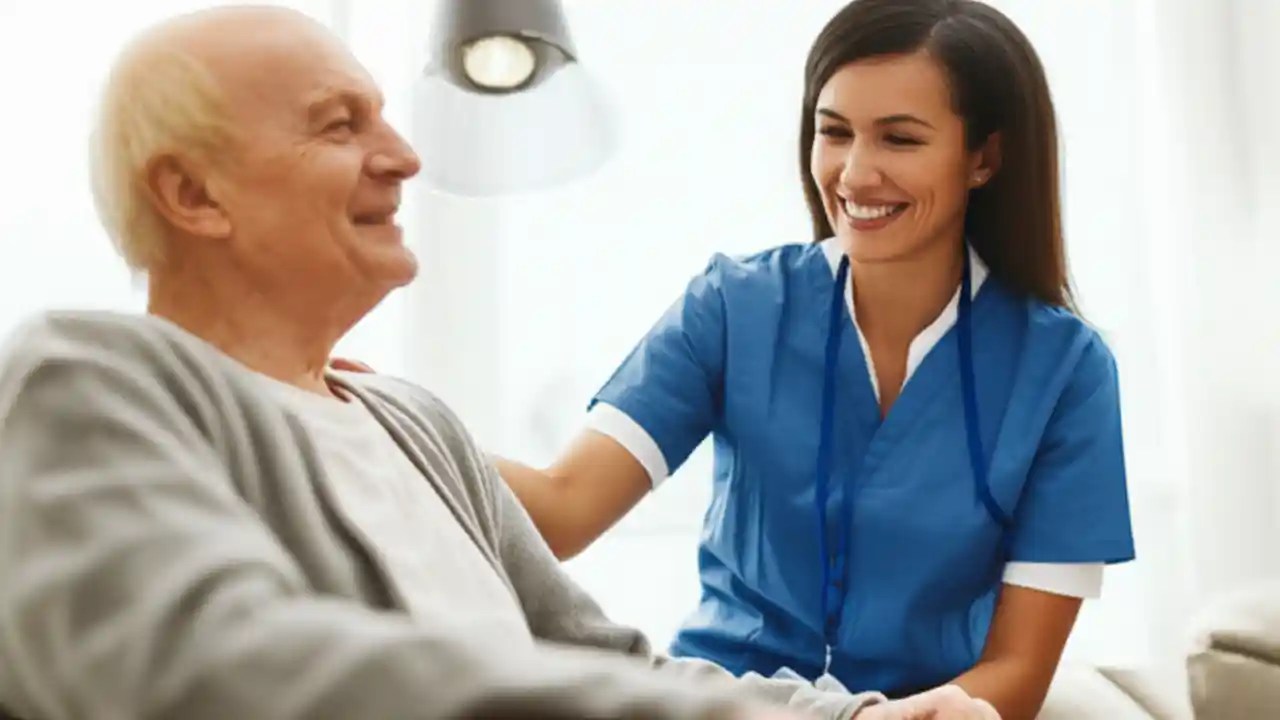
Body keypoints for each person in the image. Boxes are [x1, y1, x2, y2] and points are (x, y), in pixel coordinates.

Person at [0, 6, 1003, 720]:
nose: (402, 156)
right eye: (337, 125)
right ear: (192, 194)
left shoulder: (414, 426)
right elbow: (212, 673)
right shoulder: (85, 377)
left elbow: (610, 663)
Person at [494, 1, 1135, 718]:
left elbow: (1017, 671)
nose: (855, 175)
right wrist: (387, 417)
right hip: (724, 707)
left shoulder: (1065, 373)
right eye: (834, 133)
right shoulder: (735, 308)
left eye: (900, 139)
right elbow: (561, 508)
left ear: (983, 157)